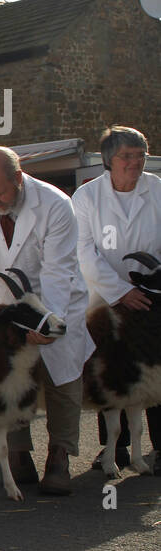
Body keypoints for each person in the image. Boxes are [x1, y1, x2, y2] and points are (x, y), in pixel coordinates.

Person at [0, 146, 93, 496]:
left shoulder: (56, 205)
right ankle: (17, 455)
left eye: (0, 193)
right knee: (5, 375)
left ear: (19, 177)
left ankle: (60, 457)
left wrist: (45, 323)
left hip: (53, 300)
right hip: (0, 300)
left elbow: (59, 271)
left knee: (62, 377)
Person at [72, 125, 161, 471]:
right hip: (105, 296)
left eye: (140, 156)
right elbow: (83, 250)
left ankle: (159, 445)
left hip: (152, 294)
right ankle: (114, 446)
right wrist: (120, 291)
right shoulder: (86, 198)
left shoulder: (157, 191)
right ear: (109, 160)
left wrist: (147, 286)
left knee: (152, 365)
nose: (135, 163)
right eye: (127, 156)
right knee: (111, 366)